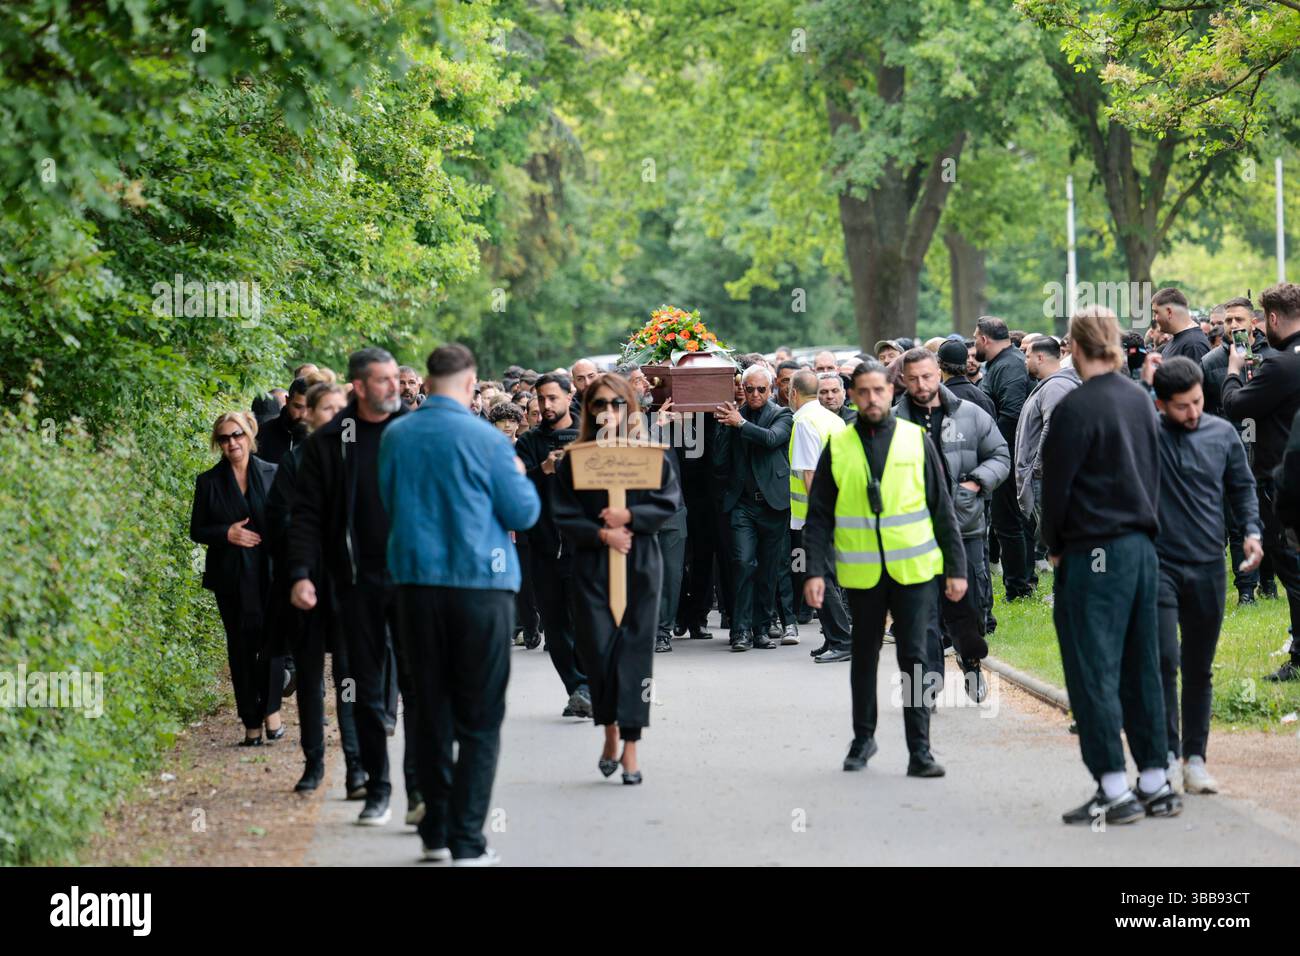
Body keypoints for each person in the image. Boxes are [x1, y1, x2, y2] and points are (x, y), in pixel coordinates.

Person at [380, 344, 539, 865]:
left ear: (427, 380)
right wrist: (514, 469)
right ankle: (468, 840)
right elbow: (522, 511)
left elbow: (387, 501)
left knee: (427, 710)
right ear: (471, 384)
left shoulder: (396, 434)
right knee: (480, 715)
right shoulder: (487, 440)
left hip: (415, 586)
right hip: (479, 587)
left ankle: (435, 832)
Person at [1040, 306, 1179, 825]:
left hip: (1092, 549)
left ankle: (1113, 785)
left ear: (1075, 346)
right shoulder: (1140, 400)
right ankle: (1155, 779)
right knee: (1142, 664)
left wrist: (1054, 543)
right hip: (1142, 546)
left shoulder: (1076, 407)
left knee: (1092, 665)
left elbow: (1057, 488)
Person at [802, 361, 966, 776]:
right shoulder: (838, 445)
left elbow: (941, 507)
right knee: (863, 657)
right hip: (863, 575)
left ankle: (920, 750)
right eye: (864, 392)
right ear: (853, 396)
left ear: (891, 392)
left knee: (914, 658)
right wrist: (815, 572)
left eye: (879, 390)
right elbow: (819, 515)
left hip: (914, 572)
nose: (872, 398)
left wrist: (956, 568)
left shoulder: (916, 439)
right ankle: (863, 738)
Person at [287, 348, 418, 827]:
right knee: (363, 688)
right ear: (358, 386)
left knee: (416, 686)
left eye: (395, 379)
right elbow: (307, 516)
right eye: (382, 380)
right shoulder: (331, 442)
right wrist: (301, 574)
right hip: (356, 582)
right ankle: (377, 788)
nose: (394, 387)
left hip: (413, 579)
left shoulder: (414, 432)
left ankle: (419, 789)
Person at [551, 374, 683, 783]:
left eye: (617, 404)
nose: (609, 412)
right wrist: (600, 532)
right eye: (600, 404)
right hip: (593, 563)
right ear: (589, 410)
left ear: (630, 408)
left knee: (634, 654)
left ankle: (630, 746)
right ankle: (608, 730)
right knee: (599, 651)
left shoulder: (652, 455)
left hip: (639, 559)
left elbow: (668, 501)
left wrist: (631, 518)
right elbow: (563, 513)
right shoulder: (575, 458)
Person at [1151, 358, 1262, 795]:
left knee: (1198, 666)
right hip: (1157, 564)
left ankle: (1194, 759)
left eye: (1197, 401)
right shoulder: (1146, 434)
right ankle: (1162, 755)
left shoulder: (1222, 434)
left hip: (1208, 566)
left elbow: (1242, 487)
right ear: (1160, 405)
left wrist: (1252, 532)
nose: (1193, 413)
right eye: (1181, 407)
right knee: (1163, 661)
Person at [265, 382, 364, 793]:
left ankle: (357, 765)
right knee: (309, 677)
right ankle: (314, 763)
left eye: (341, 409)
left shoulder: (362, 460)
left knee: (350, 677)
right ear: (311, 415)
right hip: (305, 582)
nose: (334, 416)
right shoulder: (295, 462)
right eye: (325, 409)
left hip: (351, 587)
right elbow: (279, 522)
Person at [894, 349, 1008, 701]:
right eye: (913, 378)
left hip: (965, 528)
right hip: (915, 533)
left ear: (939, 373)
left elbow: (1001, 455)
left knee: (969, 605)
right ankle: (927, 679)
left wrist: (974, 483)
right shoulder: (894, 421)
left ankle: (971, 662)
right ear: (903, 379)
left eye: (927, 376)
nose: (921, 384)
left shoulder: (970, 414)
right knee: (921, 611)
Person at [190, 411, 284, 745]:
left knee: (272, 646)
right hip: (231, 577)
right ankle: (251, 722)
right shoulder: (209, 481)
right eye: (225, 438)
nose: (233, 443)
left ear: (249, 435)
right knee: (242, 651)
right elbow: (196, 530)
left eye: (238, 435)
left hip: (271, 574)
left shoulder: (272, 474)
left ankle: (272, 710)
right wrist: (226, 533)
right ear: (219, 443)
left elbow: (288, 520)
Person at [1223, 282, 1300, 681]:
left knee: (1291, 567)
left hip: (1284, 480)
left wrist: (1234, 373)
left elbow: (1236, 406)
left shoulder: (1281, 364)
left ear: (1270, 319)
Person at [516, 372, 590, 715]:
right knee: (557, 628)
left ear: (567, 396)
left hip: (584, 546)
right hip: (544, 548)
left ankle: (587, 685)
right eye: (541, 399)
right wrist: (542, 470)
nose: (546, 405)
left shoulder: (590, 434)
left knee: (586, 620)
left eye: (552, 398)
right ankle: (576, 687)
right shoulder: (528, 443)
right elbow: (516, 490)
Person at [713, 364, 795, 650]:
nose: (756, 394)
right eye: (750, 389)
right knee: (743, 564)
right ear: (742, 390)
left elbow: (772, 439)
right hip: (742, 505)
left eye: (761, 389)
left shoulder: (782, 414)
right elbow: (719, 462)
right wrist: (724, 428)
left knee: (768, 570)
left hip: (773, 504)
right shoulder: (735, 416)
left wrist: (740, 425)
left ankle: (762, 629)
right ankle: (740, 630)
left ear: (771, 389)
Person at [787, 369, 852, 663]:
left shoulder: (803, 421)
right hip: (841, 506)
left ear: (792, 393)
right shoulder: (833, 419)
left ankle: (841, 639)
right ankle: (832, 637)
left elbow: (810, 473)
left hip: (816, 515)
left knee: (820, 576)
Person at [975, 316, 1034, 601]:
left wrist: (992, 450)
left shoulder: (1009, 365)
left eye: (975, 338)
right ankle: (1022, 582)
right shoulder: (1001, 363)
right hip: (1004, 453)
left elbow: (1012, 413)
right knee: (1010, 521)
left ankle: (1019, 588)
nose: (974, 344)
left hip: (1007, 454)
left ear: (984, 339)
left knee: (1007, 521)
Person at [1015, 336, 1080, 527]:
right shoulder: (1051, 384)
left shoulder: (1056, 387)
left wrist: (1037, 469)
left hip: (1045, 481)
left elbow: (1054, 429)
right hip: (1044, 479)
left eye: (1028, 356)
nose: (1025, 361)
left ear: (1040, 358)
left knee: (1058, 544)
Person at [936, 339, 995, 418]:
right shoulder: (984, 399)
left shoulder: (936, 399)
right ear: (965, 362)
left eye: (974, 356)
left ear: (939, 364)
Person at [257, 377, 310, 465]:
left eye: (309, 407)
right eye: (298, 407)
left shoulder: (325, 441)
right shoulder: (262, 434)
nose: (304, 415)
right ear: (287, 401)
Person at [1153, 287, 1211, 363]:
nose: (1154, 318)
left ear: (1169, 312)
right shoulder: (1178, 340)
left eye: (1156, 312)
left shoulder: (1194, 345)